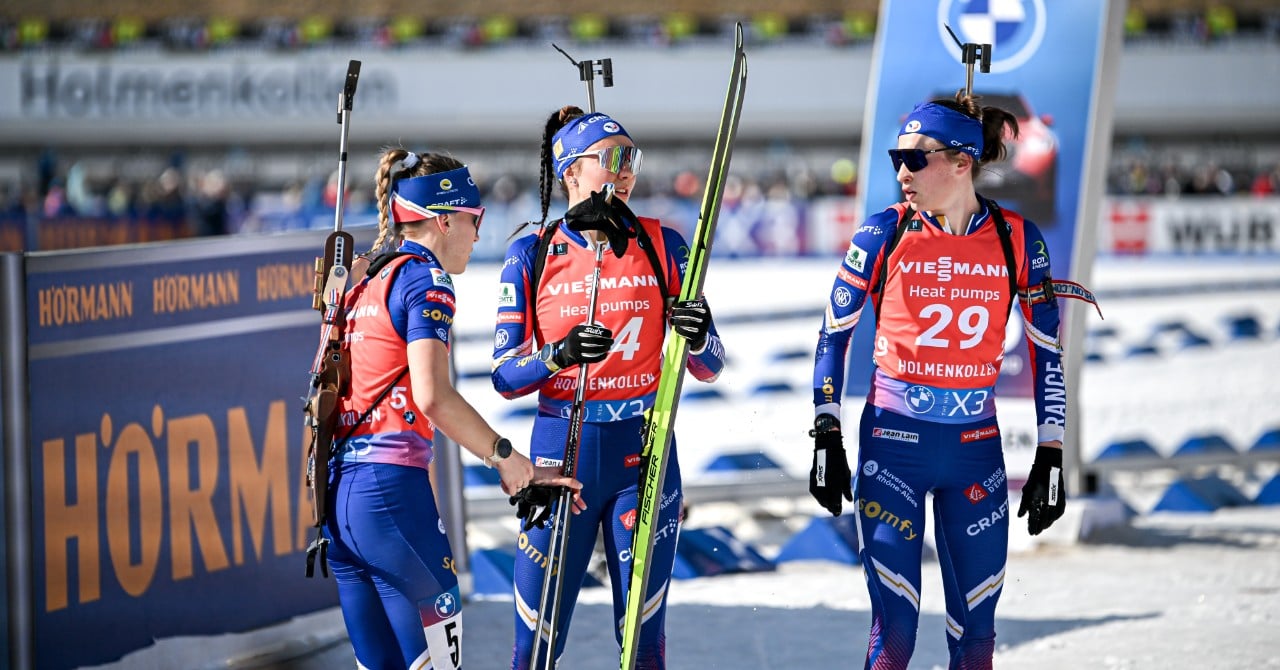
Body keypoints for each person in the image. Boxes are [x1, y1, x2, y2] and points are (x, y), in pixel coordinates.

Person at [808, 93, 1072, 669]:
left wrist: (1052, 451)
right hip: (893, 449)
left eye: (917, 158)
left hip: (974, 453)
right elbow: (833, 338)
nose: (902, 170)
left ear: (962, 161)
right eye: (896, 157)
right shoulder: (884, 233)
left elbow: (1048, 351)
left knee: (977, 636)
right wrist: (826, 434)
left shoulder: (1017, 239)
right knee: (896, 632)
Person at [323, 148, 581, 670]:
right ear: (443, 219)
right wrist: (506, 457)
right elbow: (433, 396)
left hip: (339, 499)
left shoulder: (366, 278)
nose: (479, 234)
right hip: (390, 498)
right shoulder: (425, 280)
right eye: (475, 219)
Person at [492, 106, 726, 669]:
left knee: (643, 643)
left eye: (633, 161)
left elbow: (711, 364)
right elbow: (504, 376)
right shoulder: (532, 253)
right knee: (536, 645)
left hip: (642, 458)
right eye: (613, 160)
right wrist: (559, 354)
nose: (626, 173)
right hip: (561, 460)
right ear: (572, 171)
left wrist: (695, 335)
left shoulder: (663, 244)